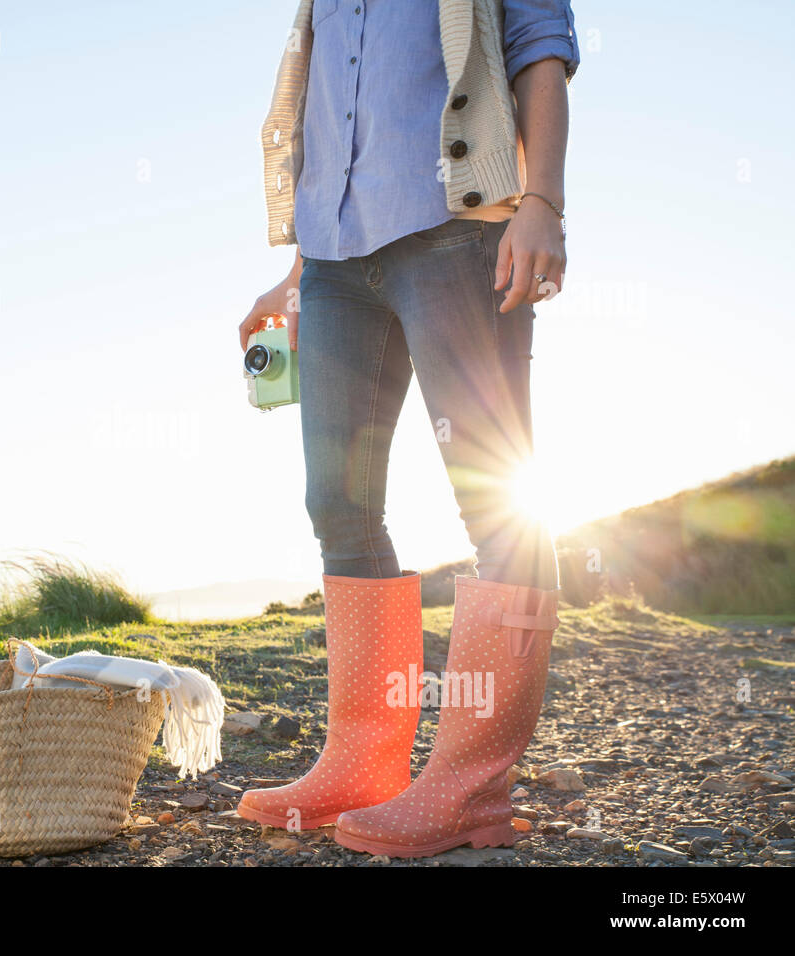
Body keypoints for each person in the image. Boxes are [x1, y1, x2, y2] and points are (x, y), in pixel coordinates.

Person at [235, 0, 580, 858]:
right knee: (338, 504)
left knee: (496, 500)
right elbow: (333, 112)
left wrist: (542, 202)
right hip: (334, 263)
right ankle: (363, 764)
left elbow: (540, 44)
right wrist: (297, 270)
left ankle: (471, 790)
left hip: (459, 232)